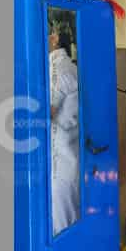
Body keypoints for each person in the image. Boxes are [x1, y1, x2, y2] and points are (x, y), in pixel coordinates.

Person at [48, 27, 80, 232]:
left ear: (55, 37)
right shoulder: (69, 67)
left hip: (59, 161)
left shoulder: (57, 69)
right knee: (70, 218)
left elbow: (45, 112)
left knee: (61, 224)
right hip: (70, 156)